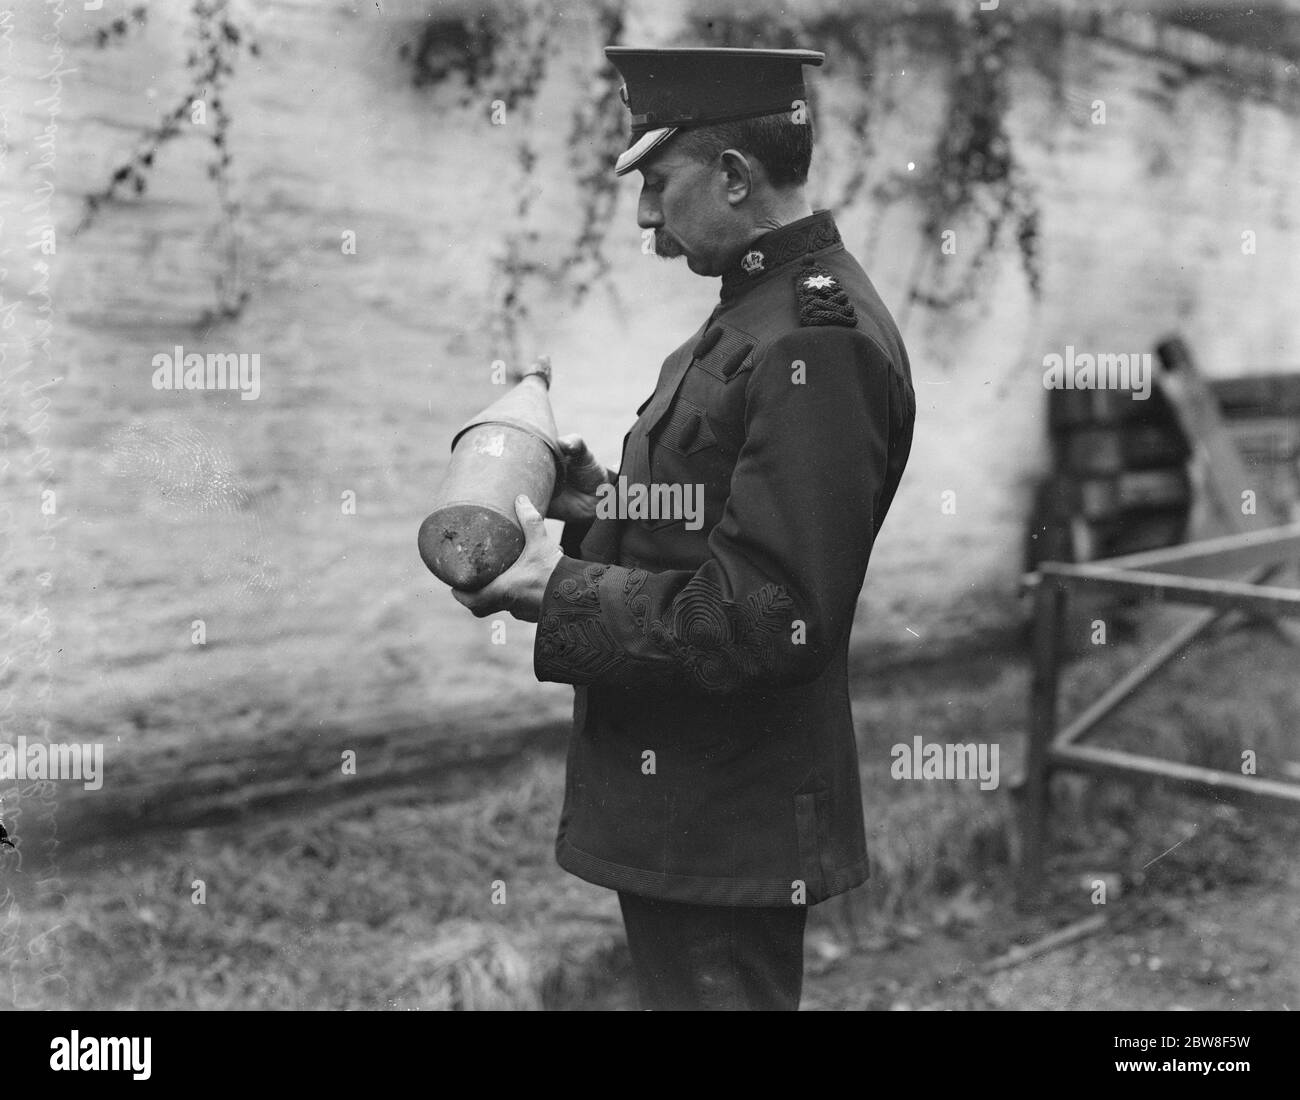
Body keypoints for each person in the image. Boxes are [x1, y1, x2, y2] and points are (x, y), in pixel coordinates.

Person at [453, 45, 917, 1010]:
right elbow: (722, 523)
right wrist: (603, 504)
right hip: (695, 801)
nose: (646, 216)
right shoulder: (757, 312)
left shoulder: (812, 343)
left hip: (728, 813)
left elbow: (772, 612)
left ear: (736, 176)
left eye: (658, 184)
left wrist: (560, 590)